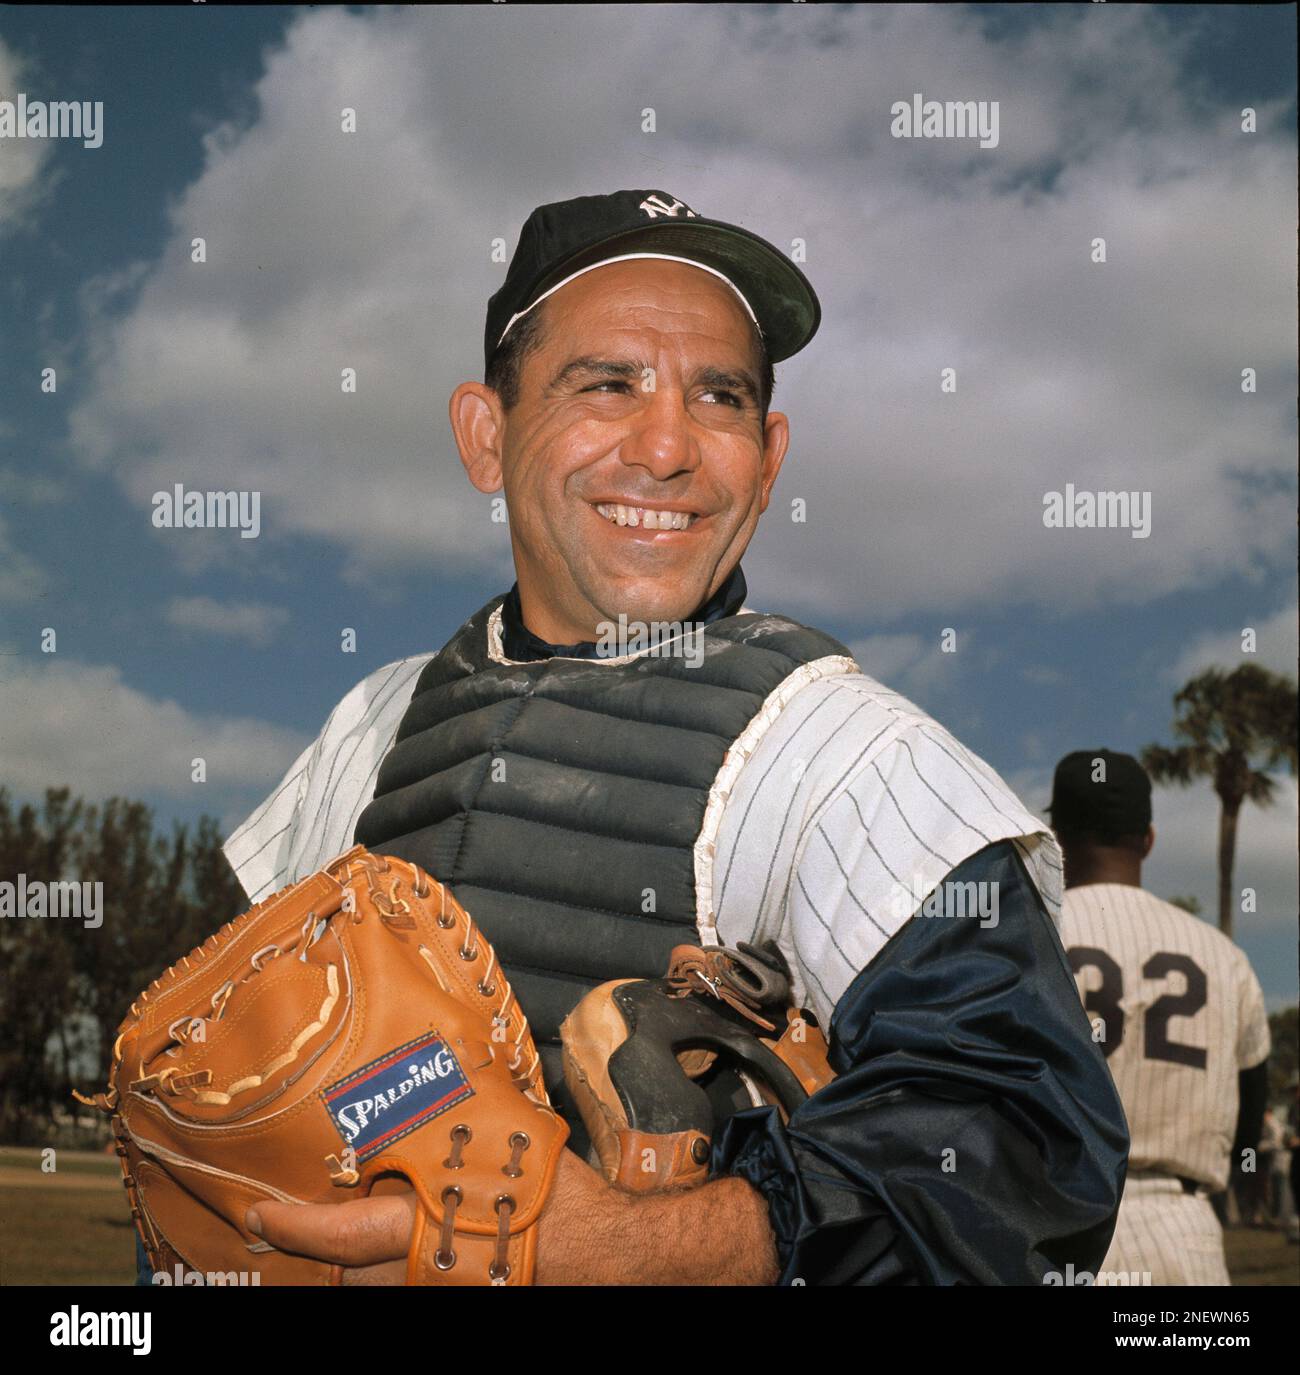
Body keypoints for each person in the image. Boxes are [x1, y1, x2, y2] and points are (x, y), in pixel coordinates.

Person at [199, 190, 1126, 1285]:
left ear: (768, 456)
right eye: (607, 385)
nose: (668, 445)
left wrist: (657, 1249)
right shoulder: (372, 724)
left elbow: (1020, 1138)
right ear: (485, 436)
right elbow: (217, 1085)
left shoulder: (843, 749)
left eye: (719, 397)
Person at [1051, 748, 1271, 1285]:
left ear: (1055, 838)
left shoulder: (1028, 940)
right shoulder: (1223, 956)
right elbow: (1252, 1111)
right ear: (1148, 839)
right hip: (1185, 1233)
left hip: (1059, 1231)